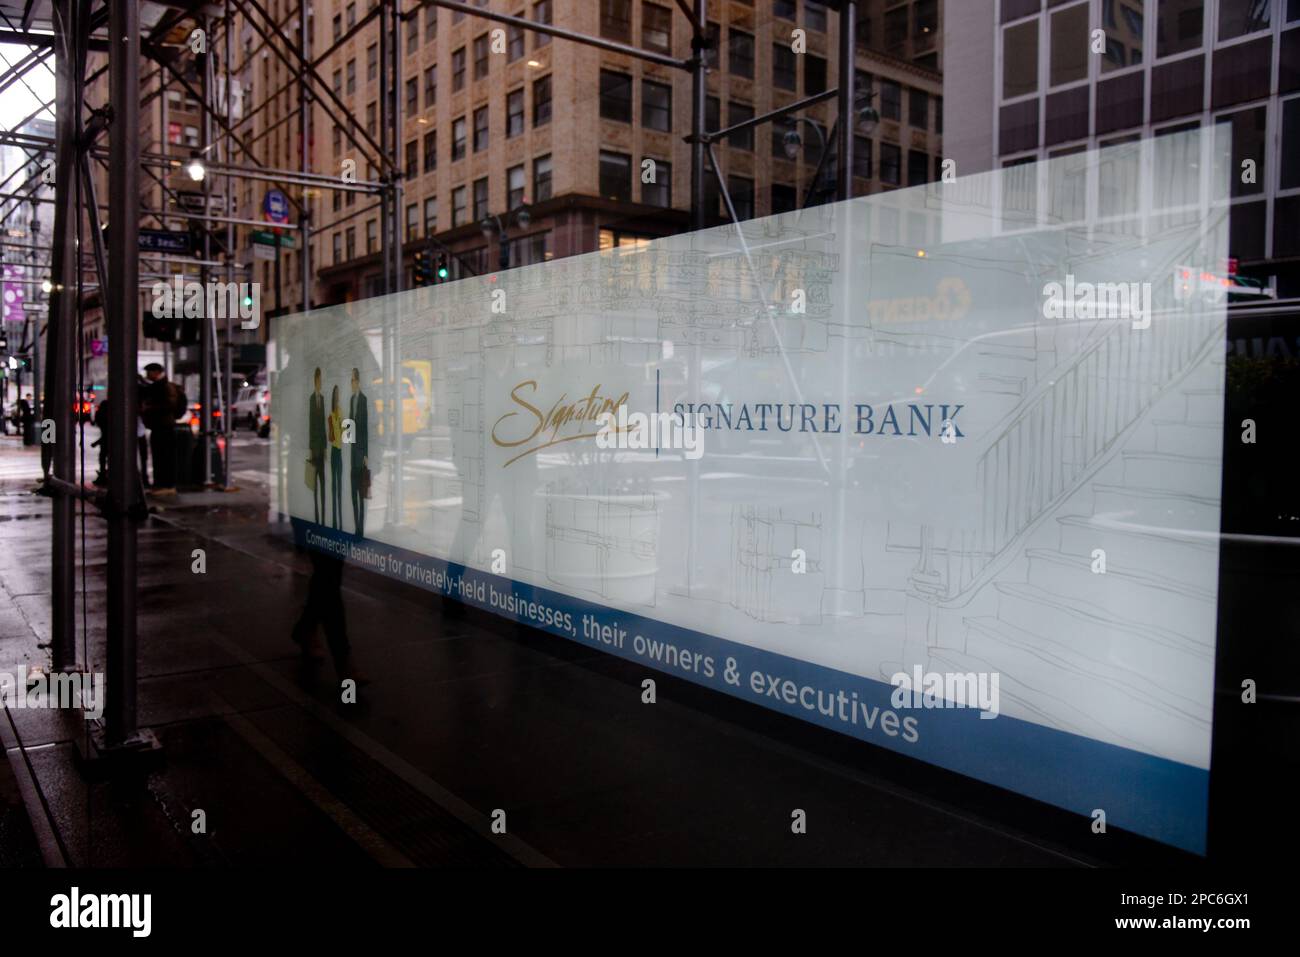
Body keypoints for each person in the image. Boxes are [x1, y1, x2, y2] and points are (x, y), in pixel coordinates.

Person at [139, 363, 185, 495]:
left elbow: (170, 404)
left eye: (150, 371)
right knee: (159, 456)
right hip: (158, 426)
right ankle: (160, 484)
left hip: (164, 426)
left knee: (165, 456)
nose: (148, 375)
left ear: (157, 372)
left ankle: (167, 485)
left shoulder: (165, 386)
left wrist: (149, 408)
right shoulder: (157, 386)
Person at [348, 367, 369, 537]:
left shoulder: (363, 400)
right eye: (351, 381)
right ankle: (356, 526)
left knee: (361, 492)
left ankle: (361, 528)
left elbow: (365, 429)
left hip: (360, 452)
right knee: (353, 491)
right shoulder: (350, 400)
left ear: (358, 382)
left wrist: (366, 454)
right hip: (352, 452)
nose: (351, 383)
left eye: (353, 380)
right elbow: (350, 428)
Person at [308, 367, 326, 523]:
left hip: (322, 447)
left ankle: (324, 516)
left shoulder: (323, 399)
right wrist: (311, 449)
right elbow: (311, 425)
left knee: (323, 482)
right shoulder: (312, 399)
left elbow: (323, 426)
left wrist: (325, 447)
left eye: (321, 380)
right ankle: (316, 516)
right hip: (315, 449)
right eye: (318, 380)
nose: (320, 383)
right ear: (315, 381)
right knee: (315, 487)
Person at [328, 384, 343, 530]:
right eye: (337, 395)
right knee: (334, 485)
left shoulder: (340, 412)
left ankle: (340, 518)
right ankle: (334, 519)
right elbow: (331, 437)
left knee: (339, 485)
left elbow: (346, 434)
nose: (338, 397)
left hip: (340, 451)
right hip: (334, 451)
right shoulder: (332, 414)